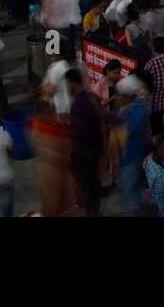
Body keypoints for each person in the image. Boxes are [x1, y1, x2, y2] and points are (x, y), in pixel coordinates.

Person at [65, 68, 103, 217]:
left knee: (86, 186)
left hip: (84, 151)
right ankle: (96, 211)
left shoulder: (78, 105)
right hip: (95, 147)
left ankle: (91, 213)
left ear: (72, 83)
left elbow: (76, 132)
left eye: (67, 84)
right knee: (93, 183)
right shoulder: (91, 97)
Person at [115, 72, 152, 216]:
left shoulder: (137, 108)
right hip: (128, 156)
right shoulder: (131, 107)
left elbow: (129, 130)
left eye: (121, 95)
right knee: (134, 191)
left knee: (129, 193)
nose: (119, 98)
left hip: (132, 156)